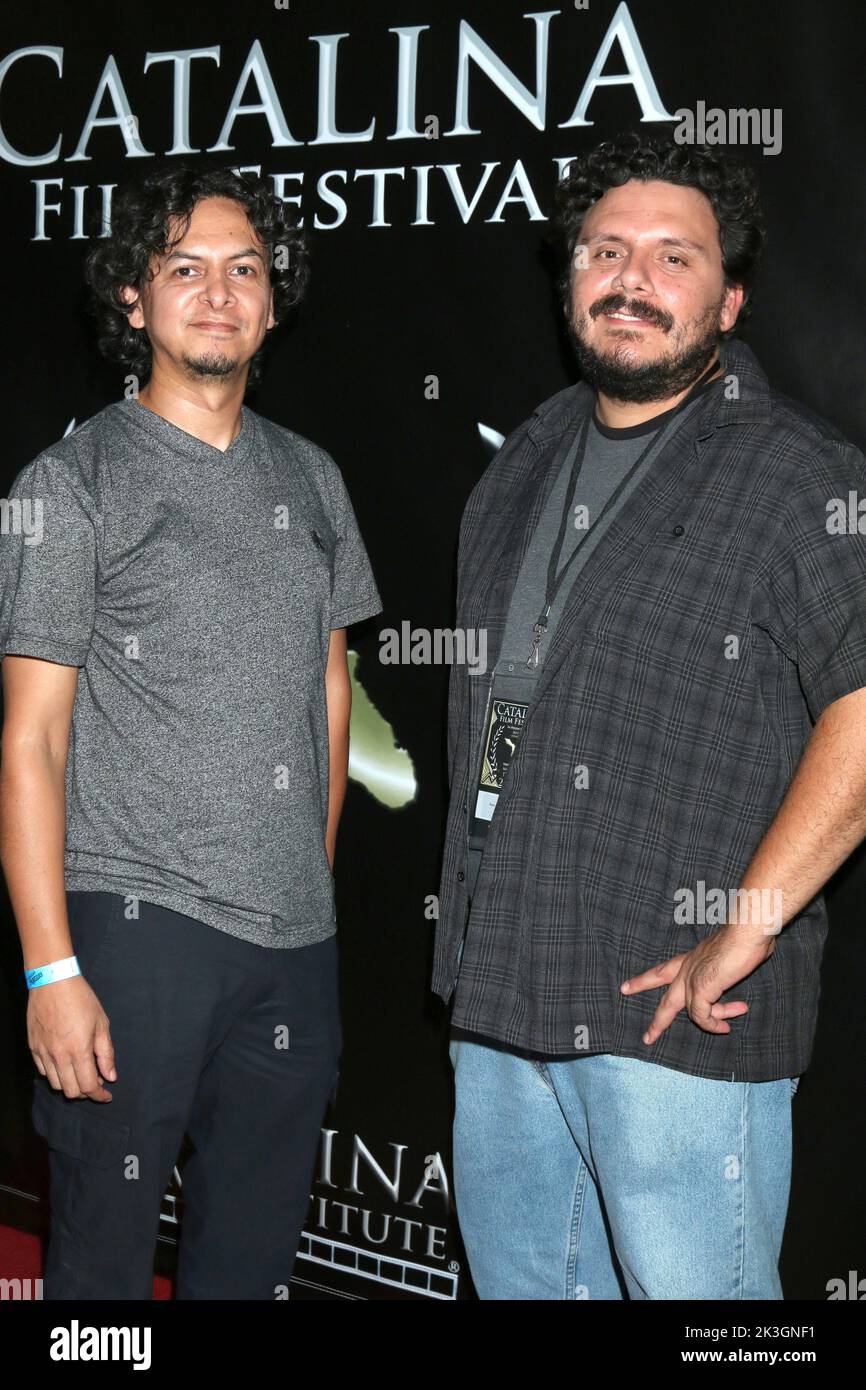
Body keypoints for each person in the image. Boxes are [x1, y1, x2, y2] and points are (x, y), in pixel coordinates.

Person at [431, 129, 866, 1300]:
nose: (631, 277)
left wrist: (747, 920)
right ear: (569, 276)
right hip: (500, 993)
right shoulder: (519, 460)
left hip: (674, 1021)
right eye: (604, 250)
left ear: (727, 300)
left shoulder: (794, 476)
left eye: (673, 257)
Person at [0, 162, 382, 1299]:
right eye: (183, 270)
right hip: (134, 936)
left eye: (243, 269)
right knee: (103, 1273)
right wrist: (49, 968)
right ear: (134, 299)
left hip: (292, 951)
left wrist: (305, 885)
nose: (217, 293)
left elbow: (328, 695)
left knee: (252, 1265)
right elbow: (30, 742)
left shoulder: (312, 478)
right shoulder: (67, 484)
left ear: (273, 299)